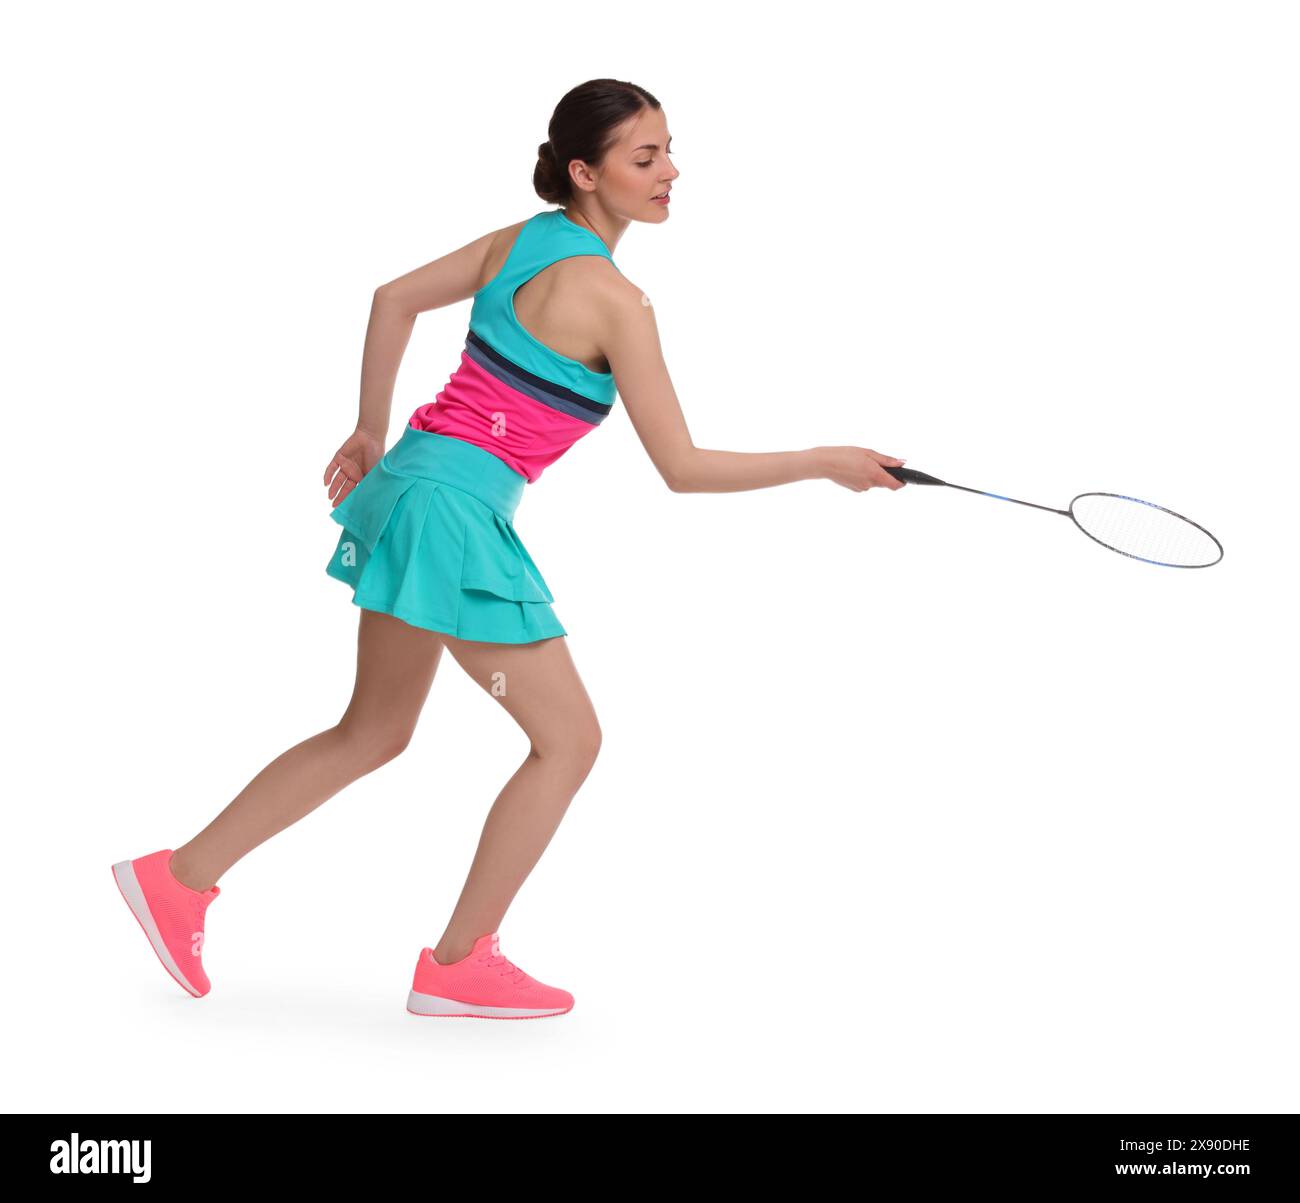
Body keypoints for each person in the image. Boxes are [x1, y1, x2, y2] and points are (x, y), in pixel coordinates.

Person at [110, 78, 907, 1021]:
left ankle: (178, 877)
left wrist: (370, 432)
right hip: (452, 516)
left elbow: (391, 297)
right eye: (644, 158)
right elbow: (682, 468)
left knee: (373, 730)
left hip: (410, 487)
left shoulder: (518, 243)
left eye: (668, 152)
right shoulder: (616, 300)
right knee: (569, 739)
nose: (670, 172)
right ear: (585, 171)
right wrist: (828, 461)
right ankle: (458, 962)